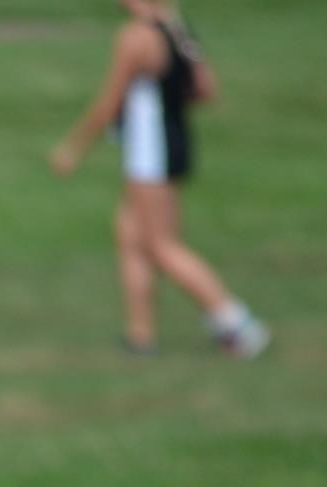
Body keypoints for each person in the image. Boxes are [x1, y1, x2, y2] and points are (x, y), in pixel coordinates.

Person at [49, 0, 268, 358]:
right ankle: (140, 335)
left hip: (151, 153)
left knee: (161, 246)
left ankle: (236, 324)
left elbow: (109, 102)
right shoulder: (176, 29)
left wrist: (73, 149)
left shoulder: (135, 37)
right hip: (174, 141)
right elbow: (205, 90)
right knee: (129, 235)